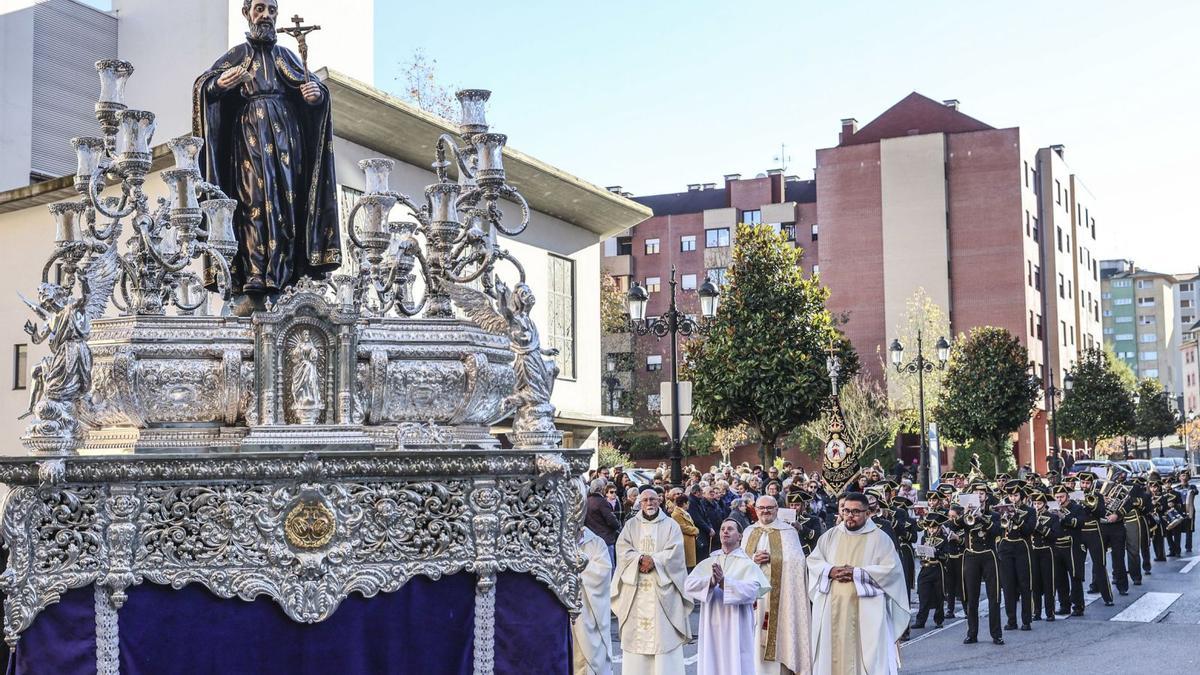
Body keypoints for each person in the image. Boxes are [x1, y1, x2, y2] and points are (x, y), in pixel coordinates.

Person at [193, 0, 341, 316]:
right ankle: (255, 281)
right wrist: (219, 85)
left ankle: (288, 277)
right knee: (252, 203)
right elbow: (204, 88)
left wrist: (316, 96)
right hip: (247, 142)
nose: (266, 16)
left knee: (288, 206)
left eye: (272, 10)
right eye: (260, 8)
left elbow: (312, 90)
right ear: (247, 13)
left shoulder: (287, 56)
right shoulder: (236, 56)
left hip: (288, 143)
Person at [808, 492, 909, 675]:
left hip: (867, 611)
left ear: (867, 513)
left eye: (855, 512)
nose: (849, 516)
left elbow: (892, 571)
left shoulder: (880, 538)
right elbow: (814, 561)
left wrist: (857, 573)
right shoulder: (830, 535)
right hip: (832, 608)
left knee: (867, 660)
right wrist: (830, 571)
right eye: (846, 511)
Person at [611, 489, 692, 674]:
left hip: (662, 591)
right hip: (636, 588)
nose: (649, 503)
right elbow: (622, 550)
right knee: (635, 644)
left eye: (653, 499)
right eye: (645, 499)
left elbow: (676, 553)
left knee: (663, 641)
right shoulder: (631, 525)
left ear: (660, 501)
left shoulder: (671, 525)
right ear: (639, 502)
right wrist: (639, 559)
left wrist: (654, 560)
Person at [685, 520, 771, 675]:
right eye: (723, 529)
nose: (725, 531)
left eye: (730, 529)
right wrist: (710, 582)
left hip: (737, 622)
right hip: (712, 620)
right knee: (712, 660)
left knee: (737, 661)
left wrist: (725, 582)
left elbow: (754, 589)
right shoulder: (710, 561)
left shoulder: (748, 564)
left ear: (740, 536)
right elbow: (689, 584)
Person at [742, 496, 812, 675]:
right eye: (761, 507)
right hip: (754, 596)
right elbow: (739, 561)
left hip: (780, 596)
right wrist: (752, 559)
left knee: (778, 633)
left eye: (770, 508)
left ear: (776, 509)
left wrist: (774, 559)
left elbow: (797, 562)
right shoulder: (750, 531)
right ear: (755, 509)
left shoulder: (788, 532)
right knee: (753, 635)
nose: (765, 511)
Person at [960, 482, 1003, 645]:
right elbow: (954, 525)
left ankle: (996, 634)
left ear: (986, 496)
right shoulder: (966, 513)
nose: (979, 495)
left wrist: (982, 518)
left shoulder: (994, 514)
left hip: (989, 556)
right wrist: (965, 513)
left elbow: (998, 531)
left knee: (994, 596)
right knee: (972, 598)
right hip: (971, 556)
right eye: (976, 493)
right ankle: (972, 633)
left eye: (982, 493)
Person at [573, 527, 613, 675]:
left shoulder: (596, 543)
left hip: (587, 609)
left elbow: (603, 573)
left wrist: (578, 564)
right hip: (562, 610)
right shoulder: (555, 540)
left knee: (588, 651)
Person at [996, 484, 1035, 631]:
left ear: (1022, 497)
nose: (1013, 498)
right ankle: (1011, 620)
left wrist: (1016, 517)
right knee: (1008, 586)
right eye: (1011, 495)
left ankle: (1026, 620)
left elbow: (1029, 529)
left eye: (1016, 495)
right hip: (1006, 547)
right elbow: (998, 528)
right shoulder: (1002, 509)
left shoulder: (1030, 511)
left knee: (1025, 584)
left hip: (1021, 547)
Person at [1051, 485, 1087, 616]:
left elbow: (1080, 523)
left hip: (1073, 546)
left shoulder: (1077, 508)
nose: (1059, 499)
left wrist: (1063, 516)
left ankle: (1078, 606)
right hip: (1057, 546)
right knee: (1060, 578)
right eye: (1057, 497)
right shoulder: (1052, 510)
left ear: (1067, 496)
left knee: (1075, 576)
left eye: (1061, 497)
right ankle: (1064, 605)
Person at [912, 513, 950, 629]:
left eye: (934, 528)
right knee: (923, 596)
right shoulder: (924, 538)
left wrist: (935, 552)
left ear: (938, 528)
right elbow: (920, 556)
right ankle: (920, 621)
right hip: (926, 569)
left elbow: (946, 557)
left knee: (939, 596)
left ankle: (939, 620)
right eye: (929, 528)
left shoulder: (943, 539)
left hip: (937, 569)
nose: (931, 530)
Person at [585, 478, 622, 563]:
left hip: (591, 539)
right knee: (609, 566)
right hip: (605, 539)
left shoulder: (587, 501)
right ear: (602, 489)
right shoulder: (601, 502)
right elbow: (611, 520)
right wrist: (617, 526)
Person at [672, 495, 700, 570]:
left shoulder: (684, 513)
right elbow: (682, 527)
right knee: (687, 567)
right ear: (684, 503)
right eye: (688, 503)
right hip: (685, 542)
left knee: (691, 566)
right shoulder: (676, 514)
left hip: (690, 542)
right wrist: (695, 530)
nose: (689, 505)